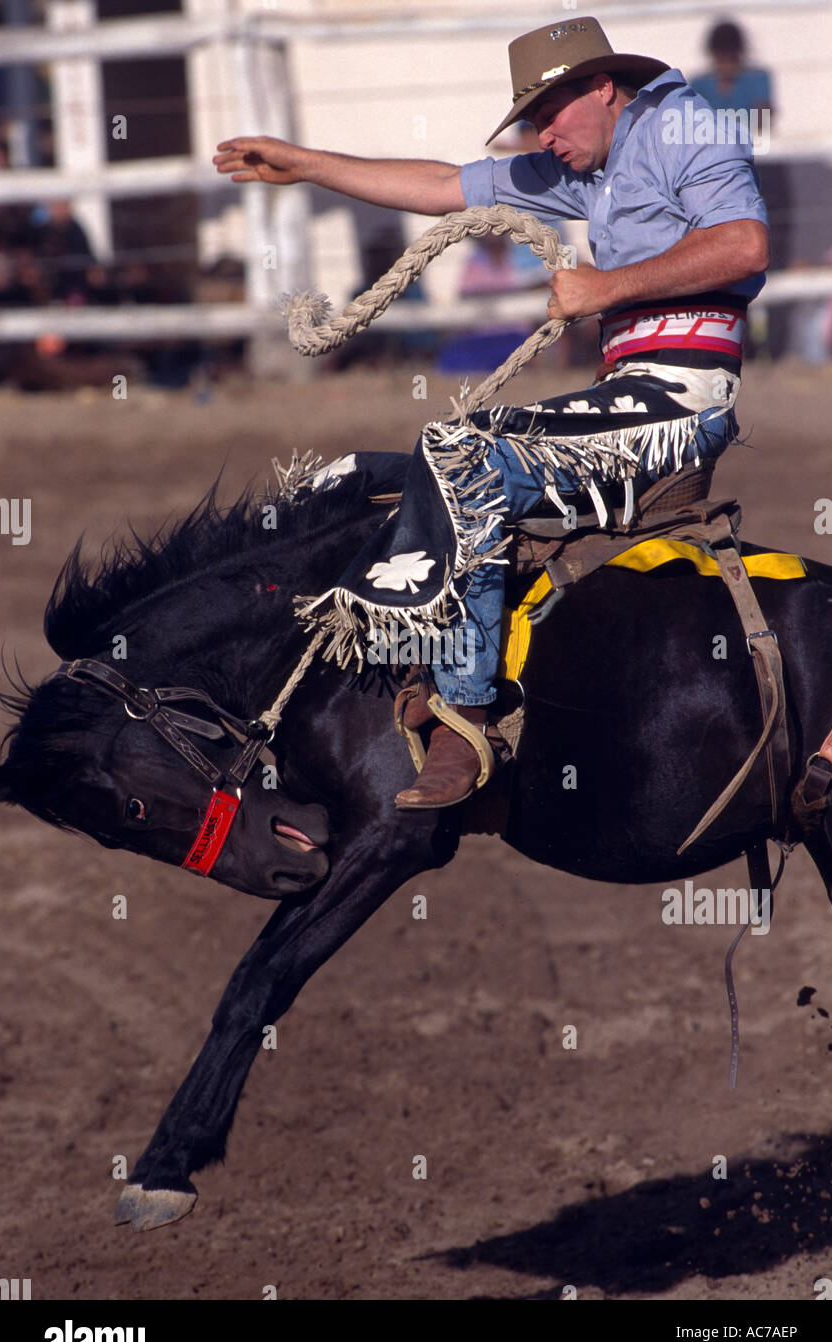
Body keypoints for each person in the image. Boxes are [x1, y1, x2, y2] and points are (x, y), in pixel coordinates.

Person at [214, 16, 770, 810]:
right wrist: (305, 165)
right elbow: (445, 185)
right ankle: (383, 671)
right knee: (352, 477)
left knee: (461, 454)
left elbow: (746, 244)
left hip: (681, 397)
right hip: (625, 393)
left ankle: (466, 719)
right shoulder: (585, 165)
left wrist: (605, 289)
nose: (541, 134)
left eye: (550, 112)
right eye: (531, 119)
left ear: (603, 87)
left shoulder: (680, 123)